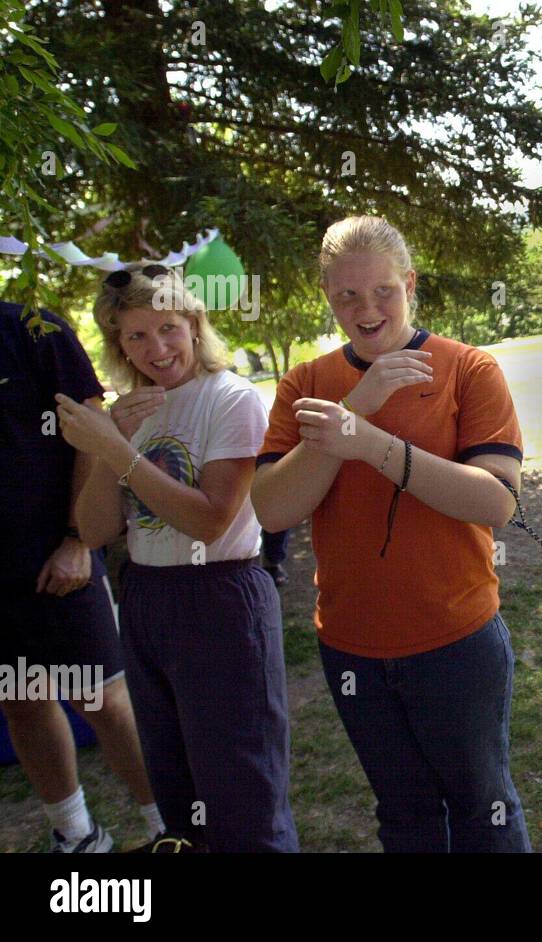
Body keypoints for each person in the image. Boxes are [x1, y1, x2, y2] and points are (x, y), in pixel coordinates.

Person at [251, 215, 530, 853]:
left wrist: (367, 442)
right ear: (327, 295)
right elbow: (272, 509)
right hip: (352, 646)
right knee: (404, 816)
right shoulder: (306, 384)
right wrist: (357, 408)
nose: (366, 308)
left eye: (383, 291)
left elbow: (495, 502)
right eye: (347, 294)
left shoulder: (469, 369)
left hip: (456, 637)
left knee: (483, 806)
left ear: (409, 284)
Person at [58, 263, 298, 852]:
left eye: (167, 328)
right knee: (175, 786)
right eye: (134, 336)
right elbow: (93, 530)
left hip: (221, 596)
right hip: (146, 598)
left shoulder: (231, 397)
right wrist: (111, 441)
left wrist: (117, 449)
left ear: (194, 323)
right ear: (118, 345)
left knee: (243, 792)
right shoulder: (132, 410)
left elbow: (211, 519)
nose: (155, 348)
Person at [0, 300, 161, 853]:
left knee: (103, 698)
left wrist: (76, 540)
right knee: (21, 698)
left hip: (57, 559)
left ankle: (167, 827)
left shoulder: (32, 326)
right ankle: (78, 835)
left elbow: (91, 425)